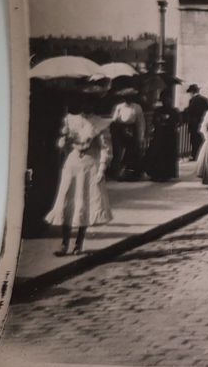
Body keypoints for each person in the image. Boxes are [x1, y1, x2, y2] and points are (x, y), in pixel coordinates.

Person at [45, 97, 113, 256]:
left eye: (89, 103)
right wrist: (63, 140)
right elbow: (62, 147)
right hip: (73, 164)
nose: (86, 106)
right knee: (67, 201)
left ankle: (78, 244)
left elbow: (105, 148)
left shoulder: (99, 123)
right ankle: (64, 244)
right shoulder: (70, 120)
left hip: (89, 166)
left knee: (84, 201)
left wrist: (102, 168)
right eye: (83, 102)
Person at [144, 90, 180, 181]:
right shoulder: (158, 110)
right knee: (157, 154)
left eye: (168, 99)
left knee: (168, 154)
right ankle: (155, 173)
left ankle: (166, 174)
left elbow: (178, 122)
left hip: (169, 135)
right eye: (164, 99)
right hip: (159, 135)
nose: (166, 101)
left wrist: (168, 122)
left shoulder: (174, 111)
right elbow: (154, 121)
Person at [109, 91, 145, 180]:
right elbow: (113, 119)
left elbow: (140, 122)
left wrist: (141, 135)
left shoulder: (137, 107)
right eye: (126, 97)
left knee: (132, 152)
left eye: (130, 97)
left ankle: (132, 174)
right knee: (119, 152)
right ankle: (118, 173)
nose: (128, 99)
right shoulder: (119, 107)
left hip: (132, 129)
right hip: (120, 130)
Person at [185, 84, 208, 161]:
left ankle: (195, 156)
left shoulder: (192, 100)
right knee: (202, 140)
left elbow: (190, 111)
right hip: (203, 123)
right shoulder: (204, 100)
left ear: (192, 92)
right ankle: (203, 155)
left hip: (194, 124)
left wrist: (186, 110)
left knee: (194, 140)